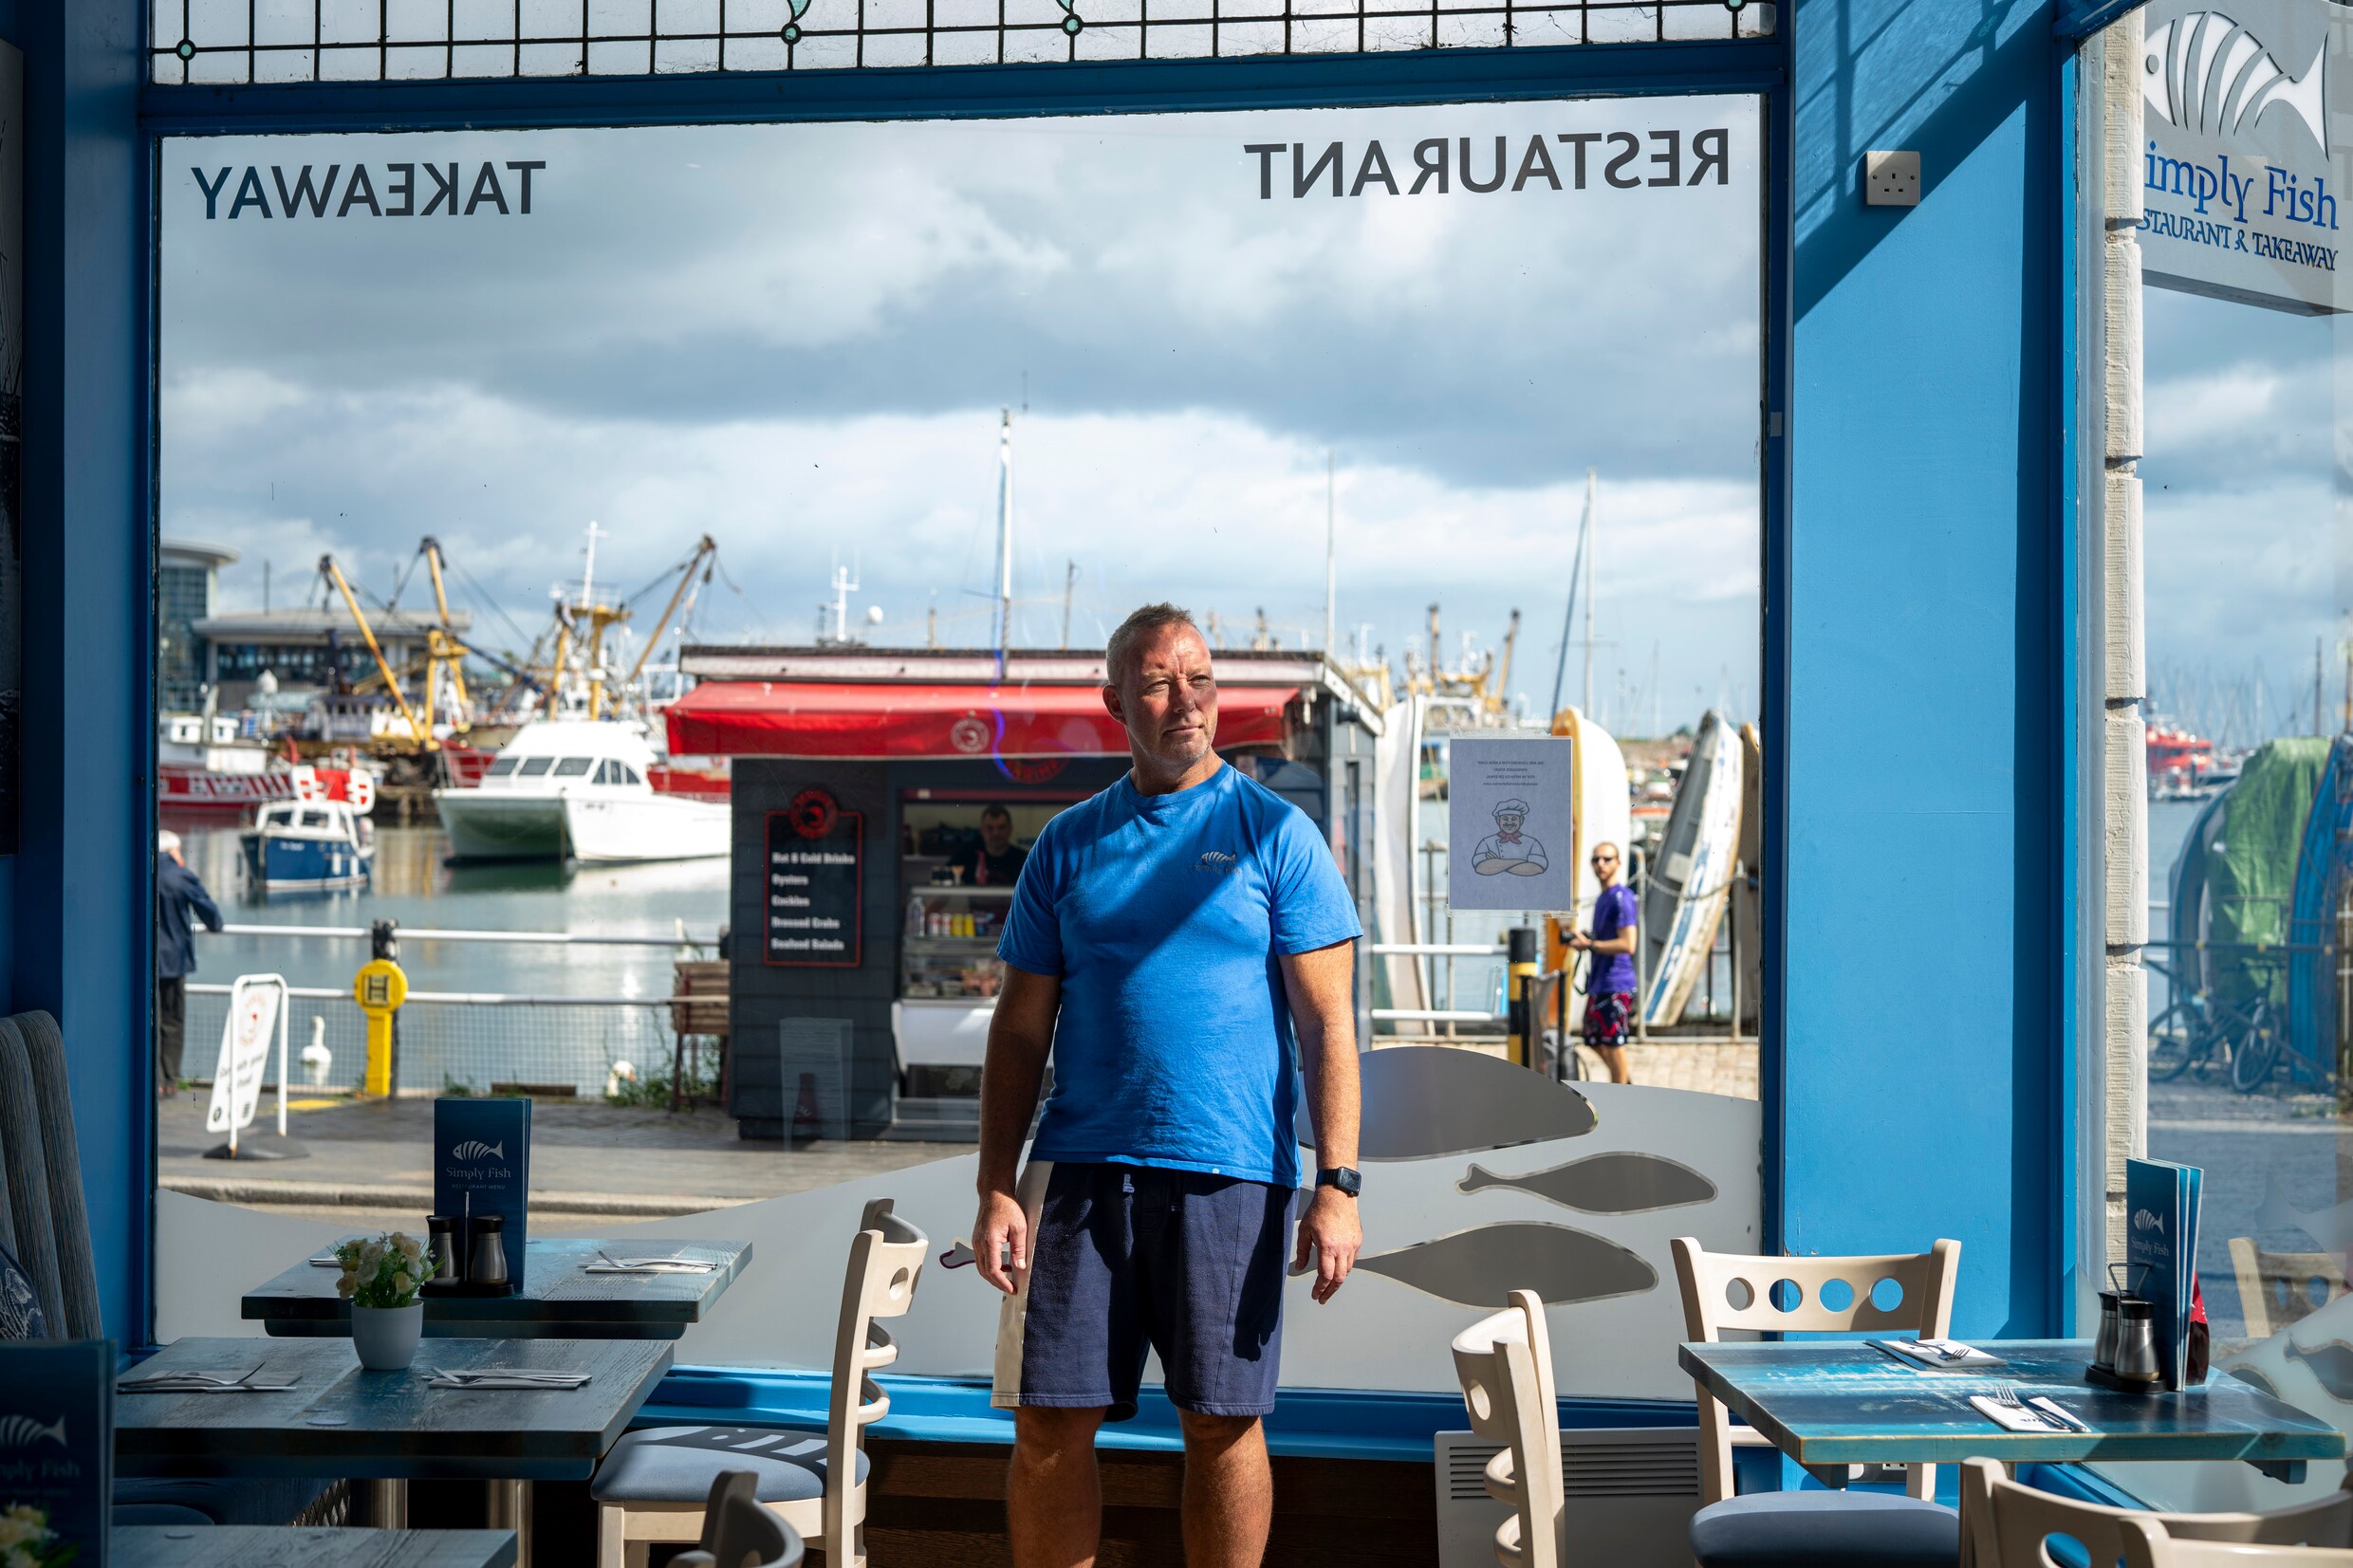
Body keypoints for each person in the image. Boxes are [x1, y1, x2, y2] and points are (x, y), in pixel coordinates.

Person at [973, 602, 1363, 1568]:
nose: (1182, 700)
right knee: (1046, 1427)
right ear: (1114, 701)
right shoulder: (1066, 844)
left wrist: (1337, 1185)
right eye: (1155, 681)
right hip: (1076, 1172)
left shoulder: (1276, 834)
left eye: (1197, 678)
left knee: (1220, 1425)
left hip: (1229, 1172)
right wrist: (993, 1183)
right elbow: (1020, 1031)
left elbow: (1326, 1025)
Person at [156, 829, 224, 1098]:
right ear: (174, 851)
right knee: (172, 1019)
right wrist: (215, 925)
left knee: (149, 1021)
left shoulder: (141, 871)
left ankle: (152, 1078)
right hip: (174, 961)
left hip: (145, 964)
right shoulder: (180, 876)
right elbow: (212, 916)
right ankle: (169, 1080)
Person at [1566, 840, 1637, 1084]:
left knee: (1614, 1044)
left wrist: (1591, 945)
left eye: (1607, 859)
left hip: (1616, 984)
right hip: (1599, 984)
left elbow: (1628, 944)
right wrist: (1590, 939)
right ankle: (1625, 1084)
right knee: (1593, 1039)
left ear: (1618, 863)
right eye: (1596, 860)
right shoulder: (1603, 898)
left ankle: (1622, 1096)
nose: (1601, 864)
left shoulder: (1621, 898)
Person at [961, 803, 1028, 887]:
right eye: (990, 828)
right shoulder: (964, 857)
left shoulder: (1024, 860)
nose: (996, 833)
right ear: (982, 830)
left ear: (1010, 828)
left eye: (1001, 827)